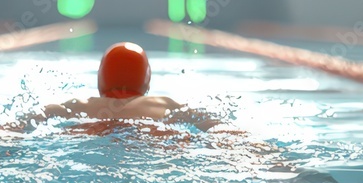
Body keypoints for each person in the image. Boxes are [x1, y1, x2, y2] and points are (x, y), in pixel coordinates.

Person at [14, 42, 223, 132]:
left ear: (101, 77)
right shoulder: (166, 104)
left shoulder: (75, 106)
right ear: (146, 80)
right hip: (150, 138)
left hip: (90, 135)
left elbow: (17, 127)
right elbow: (221, 129)